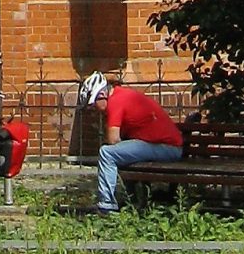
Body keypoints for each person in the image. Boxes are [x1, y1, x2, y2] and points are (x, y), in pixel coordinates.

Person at [79, 69, 184, 213]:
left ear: (102, 94)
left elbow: (113, 140)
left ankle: (107, 205)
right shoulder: (121, 95)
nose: (93, 110)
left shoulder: (115, 102)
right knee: (120, 152)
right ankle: (133, 200)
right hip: (165, 147)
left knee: (107, 153)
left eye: (92, 105)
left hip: (167, 148)